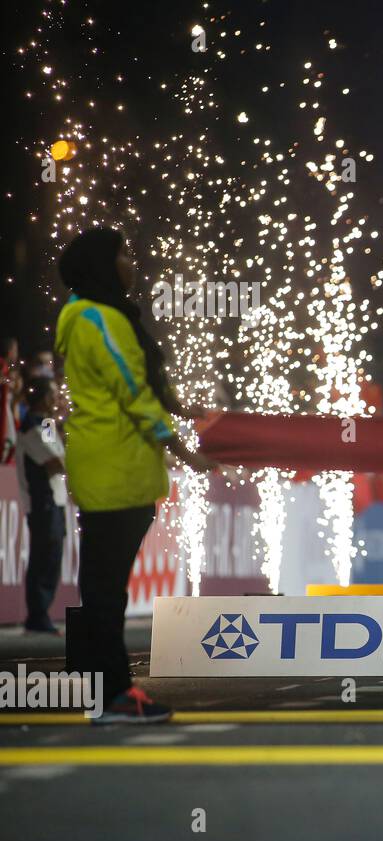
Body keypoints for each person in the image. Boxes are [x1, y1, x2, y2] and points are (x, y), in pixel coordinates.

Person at [55, 227, 217, 724]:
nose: (132, 262)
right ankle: (112, 695)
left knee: (105, 585)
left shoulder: (103, 314)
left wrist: (183, 409)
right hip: (112, 465)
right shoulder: (96, 317)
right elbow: (131, 388)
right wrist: (183, 451)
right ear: (102, 265)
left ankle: (107, 692)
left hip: (120, 465)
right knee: (105, 587)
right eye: (123, 254)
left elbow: (143, 378)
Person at [15, 378, 68, 634]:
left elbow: (60, 451)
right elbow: (55, 462)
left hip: (55, 501)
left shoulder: (46, 424)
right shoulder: (30, 429)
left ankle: (42, 613)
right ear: (43, 397)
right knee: (43, 556)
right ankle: (37, 615)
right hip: (42, 503)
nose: (57, 399)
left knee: (53, 556)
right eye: (54, 394)